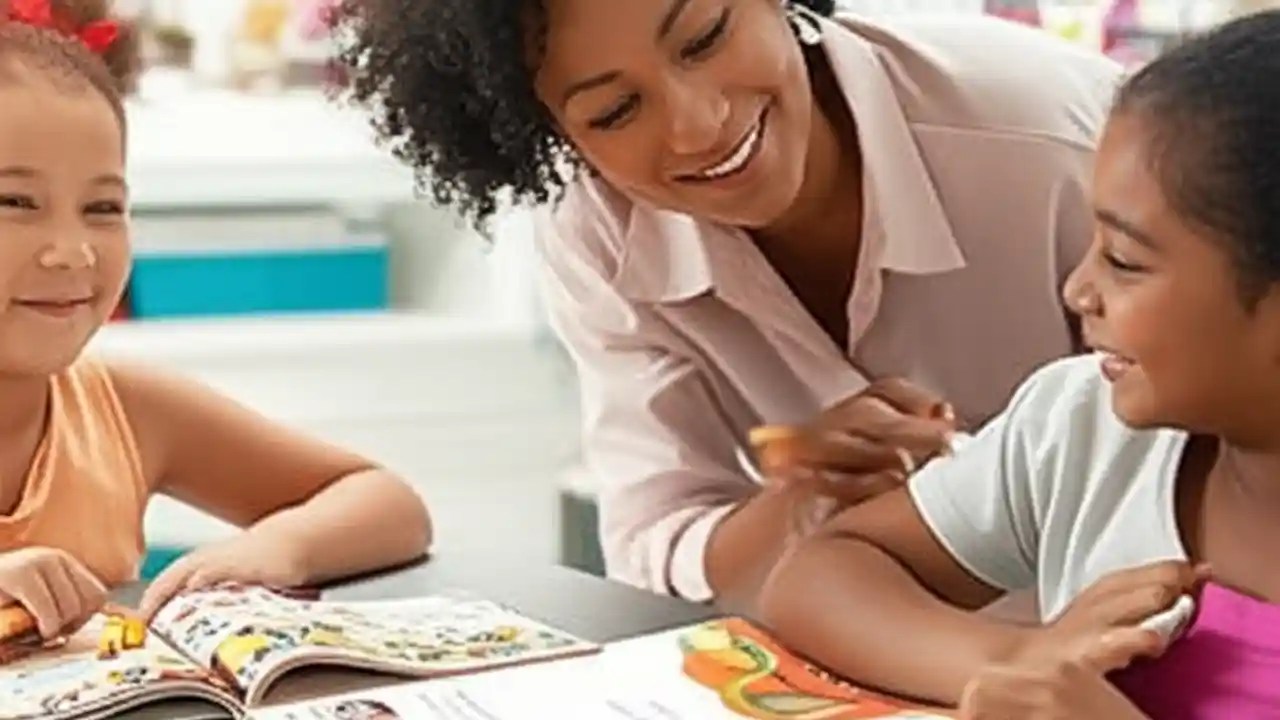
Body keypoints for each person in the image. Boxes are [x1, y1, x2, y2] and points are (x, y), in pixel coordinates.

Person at [328, 0, 1120, 602]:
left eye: (705, 38)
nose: (698, 125)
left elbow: (1223, 462)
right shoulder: (597, 231)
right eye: (614, 111)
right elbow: (656, 537)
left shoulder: (1051, 147)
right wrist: (799, 506)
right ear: (551, 138)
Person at [760, 11, 1280, 718]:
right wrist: (1016, 661)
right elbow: (821, 574)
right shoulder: (1084, 431)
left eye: (1125, 261)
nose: (1078, 290)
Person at [0, 0, 432, 639]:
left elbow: (386, 501)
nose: (73, 250)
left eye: (103, 207)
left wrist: (274, 549)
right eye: (14, 200)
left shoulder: (125, 408)